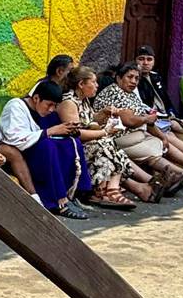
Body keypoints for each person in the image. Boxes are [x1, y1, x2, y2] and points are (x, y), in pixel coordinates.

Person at [94, 64, 183, 192]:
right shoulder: (113, 93)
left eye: (136, 78)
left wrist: (161, 136)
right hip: (119, 138)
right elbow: (129, 121)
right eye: (129, 77)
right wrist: (147, 119)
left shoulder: (131, 95)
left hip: (138, 135)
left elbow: (147, 121)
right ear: (119, 78)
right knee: (152, 153)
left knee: (163, 141)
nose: (133, 81)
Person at [60, 65, 158, 206]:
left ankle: (110, 190)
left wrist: (103, 114)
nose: (97, 85)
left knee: (109, 144)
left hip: (87, 145)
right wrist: (104, 132)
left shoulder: (83, 99)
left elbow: (89, 120)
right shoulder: (69, 102)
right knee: (105, 145)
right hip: (73, 147)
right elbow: (77, 133)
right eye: (93, 82)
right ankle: (109, 191)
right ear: (81, 84)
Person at [0, 81, 90, 219]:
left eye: (54, 106)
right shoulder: (15, 106)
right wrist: (51, 131)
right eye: (49, 105)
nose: (51, 109)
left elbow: (45, 132)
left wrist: (68, 130)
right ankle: (57, 200)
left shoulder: (41, 110)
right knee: (47, 146)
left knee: (69, 143)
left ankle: (71, 194)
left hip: (32, 147)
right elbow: (14, 138)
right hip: (11, 149)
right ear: (36, 98)